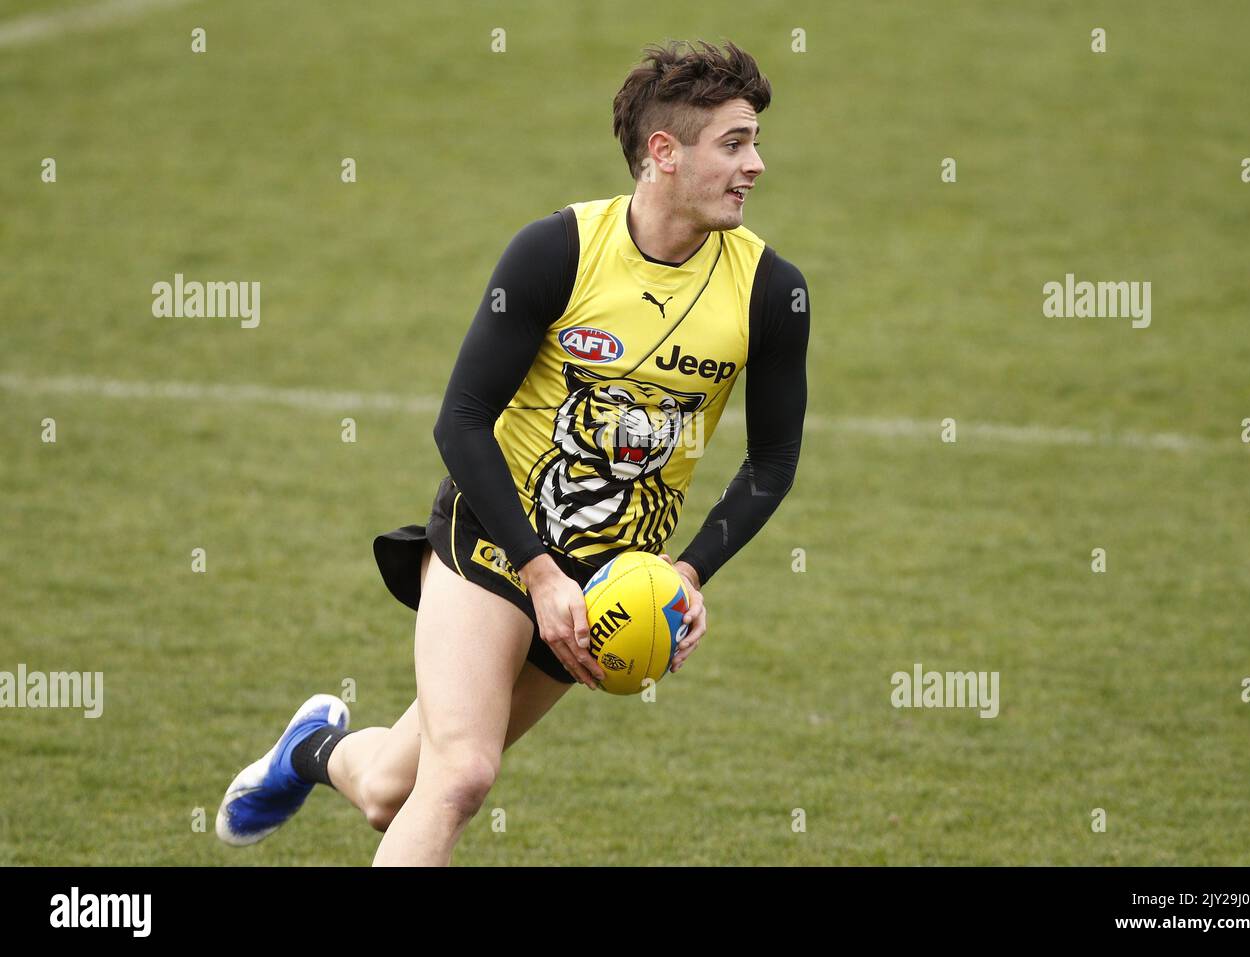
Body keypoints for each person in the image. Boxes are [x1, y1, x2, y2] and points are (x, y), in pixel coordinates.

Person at [216, 38, 810, 865]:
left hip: (606, 582)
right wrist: (537, 569)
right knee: (462, 777)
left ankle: (309, 750)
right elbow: (460, 419)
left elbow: (772, 462)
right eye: (735, 143)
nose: (757, 164)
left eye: (755, 142)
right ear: (664, 154)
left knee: (393, 792)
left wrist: (688, 569)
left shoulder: (770, 290)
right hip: (496, 540)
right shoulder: (557, 250)